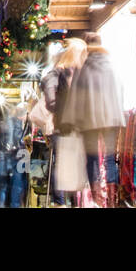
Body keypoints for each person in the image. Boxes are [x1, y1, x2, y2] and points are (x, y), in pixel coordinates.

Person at [67, 31, 127, 207]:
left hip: (90, 120)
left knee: (92, 158)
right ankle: (113, 198)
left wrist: (73, 121)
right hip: (112, 117)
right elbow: (120, 90)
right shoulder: (112, 65)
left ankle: (97, 199)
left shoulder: (83, 67)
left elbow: (75, 97)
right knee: (110, 158)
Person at [44, 37, 89, 205]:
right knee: (65, 170)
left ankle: (73, 202)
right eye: (82, 53)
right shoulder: (59, 73)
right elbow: (52, 101)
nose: (84, 56)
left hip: (77, 127)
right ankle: (61, 203)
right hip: (65, 128)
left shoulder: (78, 73)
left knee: (73, 170)